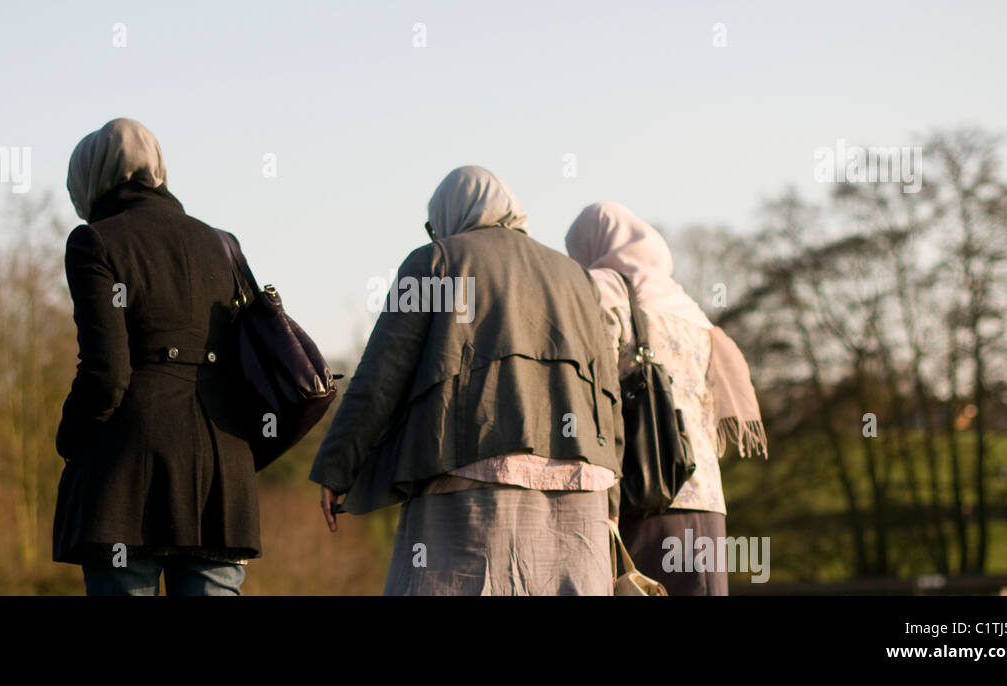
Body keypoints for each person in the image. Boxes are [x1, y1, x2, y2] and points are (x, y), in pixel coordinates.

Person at [310, 166, 624, 595]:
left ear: (447, 217)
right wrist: (614, 503)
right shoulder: (577, 278)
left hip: (469, 485)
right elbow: (608, 396)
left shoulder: (435, 261)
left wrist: (335, 467)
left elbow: (380, 376)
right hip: (581, 493)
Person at [51, 118, 261, 595]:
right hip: (220, 479)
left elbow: (106, 374)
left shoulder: (95, 242)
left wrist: (69, 437)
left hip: (126, 481)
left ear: (88, 180)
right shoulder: (222, 244)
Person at [565, 201, 767, 595]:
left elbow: (589, 391)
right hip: (702, 494)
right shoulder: (689, 308)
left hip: (636, 491)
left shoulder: (601, 292)